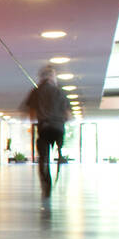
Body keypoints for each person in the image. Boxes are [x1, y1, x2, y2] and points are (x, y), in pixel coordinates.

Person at [21, 65, 72, 199]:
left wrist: (33, 123)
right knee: (58, 138)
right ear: (51, 77)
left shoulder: (36, 92)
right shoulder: (60, 92)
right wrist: (63, 120)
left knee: (43, 157)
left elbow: (31, 112)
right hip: (58, 127)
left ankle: (46, 182)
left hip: (44, 126)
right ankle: (59, 150)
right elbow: (68, 114)